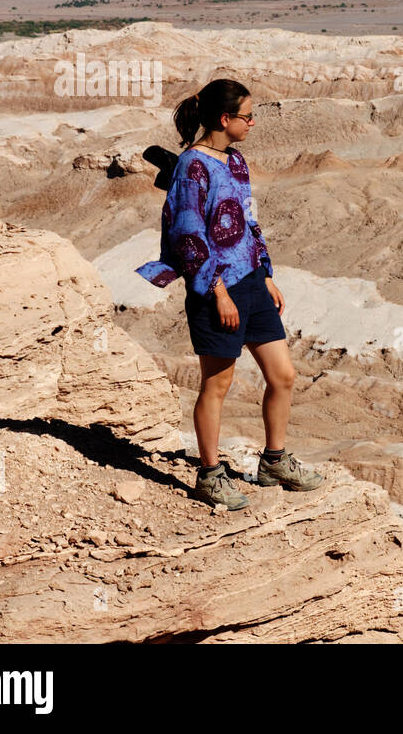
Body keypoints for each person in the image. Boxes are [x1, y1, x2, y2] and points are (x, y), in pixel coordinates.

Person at [136, 78, 323, 509]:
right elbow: (188, 234)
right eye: (248, 116)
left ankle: (273, 461)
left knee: (283, 376)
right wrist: (217, 291)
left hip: (253, 283)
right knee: (216, 385)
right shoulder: (192, 168)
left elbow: (248, 221)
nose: (253, 123)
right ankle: (209, 475)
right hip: (216, 289)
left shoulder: (235, 161)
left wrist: (267, 273)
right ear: (225, 119)